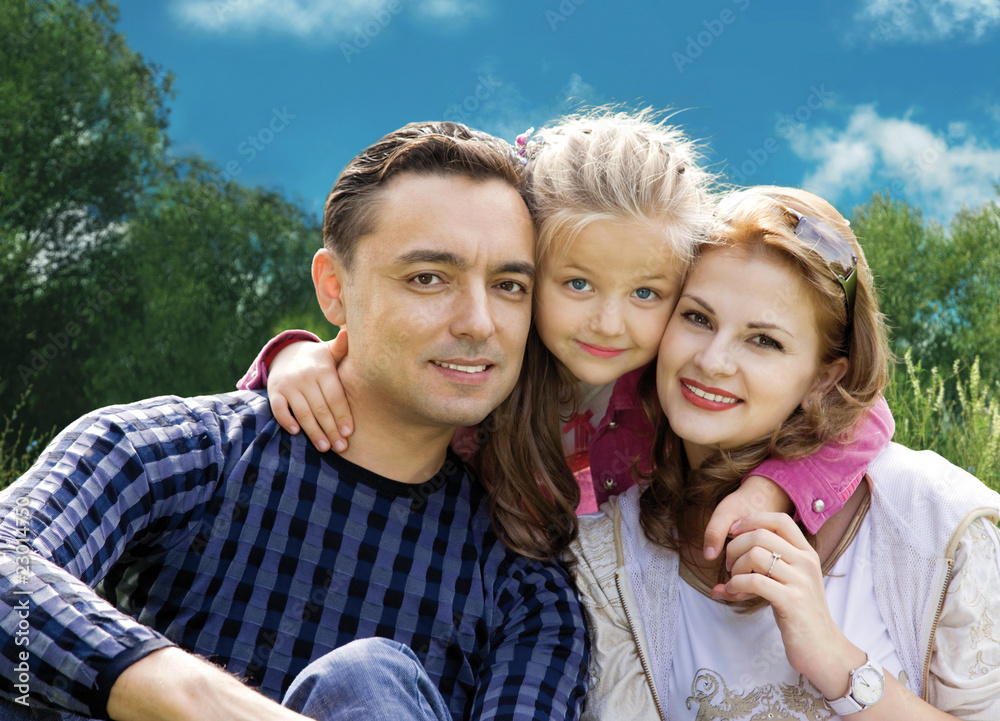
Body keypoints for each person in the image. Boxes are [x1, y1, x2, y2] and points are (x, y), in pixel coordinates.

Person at [0, 122, 588, 721]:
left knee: (366, 681)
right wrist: (200, 701)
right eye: (428, 278)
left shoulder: (526, 588)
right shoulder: (181, 451)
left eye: (510, 285)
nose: (479, 323)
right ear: (334, 289)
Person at [240, 108, 894, 562]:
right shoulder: (482, 365)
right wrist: (292, 359)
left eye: (646, 293)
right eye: (576, 284)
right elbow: (365, 381)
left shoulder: (671, 382)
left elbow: (862, 413)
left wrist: (769, 488)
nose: (609, 324)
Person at [571, 186, 1000, 719]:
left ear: (824, 378)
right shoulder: (606, 557)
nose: (713, 361)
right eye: (698, 318)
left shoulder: (940, 525)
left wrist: (836, 662)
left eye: (764, 341)